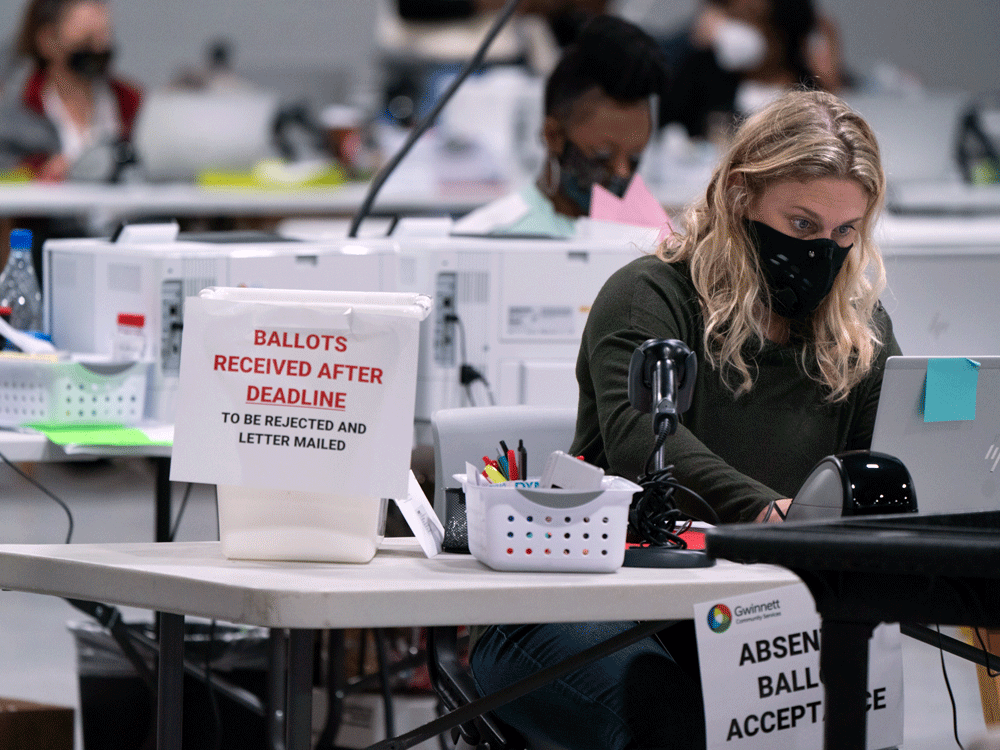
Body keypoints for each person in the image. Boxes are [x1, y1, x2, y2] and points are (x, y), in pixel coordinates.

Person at [470, 89, 901, 750]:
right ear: (738, 195)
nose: (824, 250)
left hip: (746, 612)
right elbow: (645, 447)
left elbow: (890, 462)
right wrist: (775, 516)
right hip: (576, 606)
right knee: (679, 726)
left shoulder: (858, 332)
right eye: (803, 225)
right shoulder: (651, 296)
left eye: (845, 233)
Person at [451, 14, 669, 237]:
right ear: (553, 135)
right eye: (603, 155)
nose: (623, 173)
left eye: (635, 158)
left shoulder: (651, 240)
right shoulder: (490, 238)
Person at [659, 0, 845, 139]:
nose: (738, 29)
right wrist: (690, 42)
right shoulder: (709, 80)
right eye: (736, 18)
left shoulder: (809, 95)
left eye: (753, 19)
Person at [0, 0, 142, 181]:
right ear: (48, 40)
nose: (99, 49)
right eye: (87, 39)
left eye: (104, 37)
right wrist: (39, 174)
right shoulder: (16, 110)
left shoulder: (130, 102)